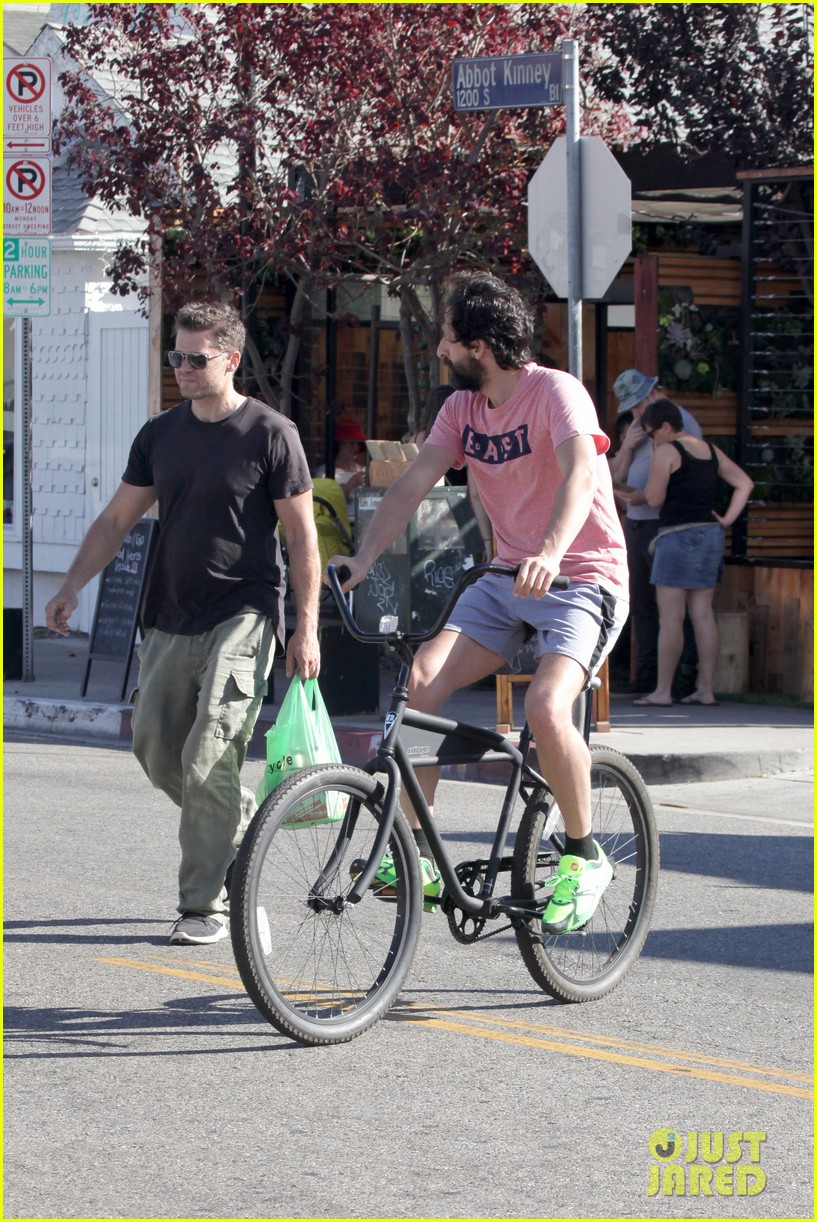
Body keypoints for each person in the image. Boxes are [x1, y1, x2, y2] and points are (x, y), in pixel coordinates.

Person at [329, 271, 629, 934]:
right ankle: (420, 853)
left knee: (547, 708)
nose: (439, 350)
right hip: (504, 577)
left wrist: (550, 549)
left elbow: (581, 472)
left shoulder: (555, 392)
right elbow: (410, 484)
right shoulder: (461, 411)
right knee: (421, 682)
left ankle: (583, 855)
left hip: (582, 576)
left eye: (447, 339)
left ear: (481, 347)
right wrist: (364, 558)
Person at [45, 301, 321, 946]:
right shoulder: (160, 434)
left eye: (197, 359)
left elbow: (303, 538)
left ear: (229, 358)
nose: (183, 369)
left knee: (208, 758)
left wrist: (305, 627)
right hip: (170, 613)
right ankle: (235, 827)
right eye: (177, 357)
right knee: (155, 748)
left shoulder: (270, 433)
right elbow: (117, 520)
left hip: (243, 613)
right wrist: (71, 585)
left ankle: (207, 904)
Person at [631, 398, 753, 708]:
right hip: (710, 534)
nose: (651, 441)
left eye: (652, 434)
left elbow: (654, 499)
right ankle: (705, 689)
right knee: (703, 615)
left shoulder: (668, 450)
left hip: (676, 536)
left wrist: (653, 464)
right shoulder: (710, 450)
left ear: (666, 428)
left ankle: (662, 691)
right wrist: (725, 519)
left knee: (671, 617)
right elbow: (744, 483)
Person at [608, 368, 703, 696]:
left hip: (662, 521)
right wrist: (628, 445)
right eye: (632, 409)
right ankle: (646, 672)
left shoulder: (678, 421)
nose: (635, 414)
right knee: (641, 604)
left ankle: (682, 676)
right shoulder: (638, 426)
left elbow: (690, 468)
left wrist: (650, 495)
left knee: (674, 605)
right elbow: (615, 472)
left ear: (650, 395)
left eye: (636, 406)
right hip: (634, 519)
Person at [316, 417, 367, 514]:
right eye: (351, 443)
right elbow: (327, 506)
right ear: (339, 444)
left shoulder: (363, 471)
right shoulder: (325, 473)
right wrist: (349, 486)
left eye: (358, 444)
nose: (356, 447)